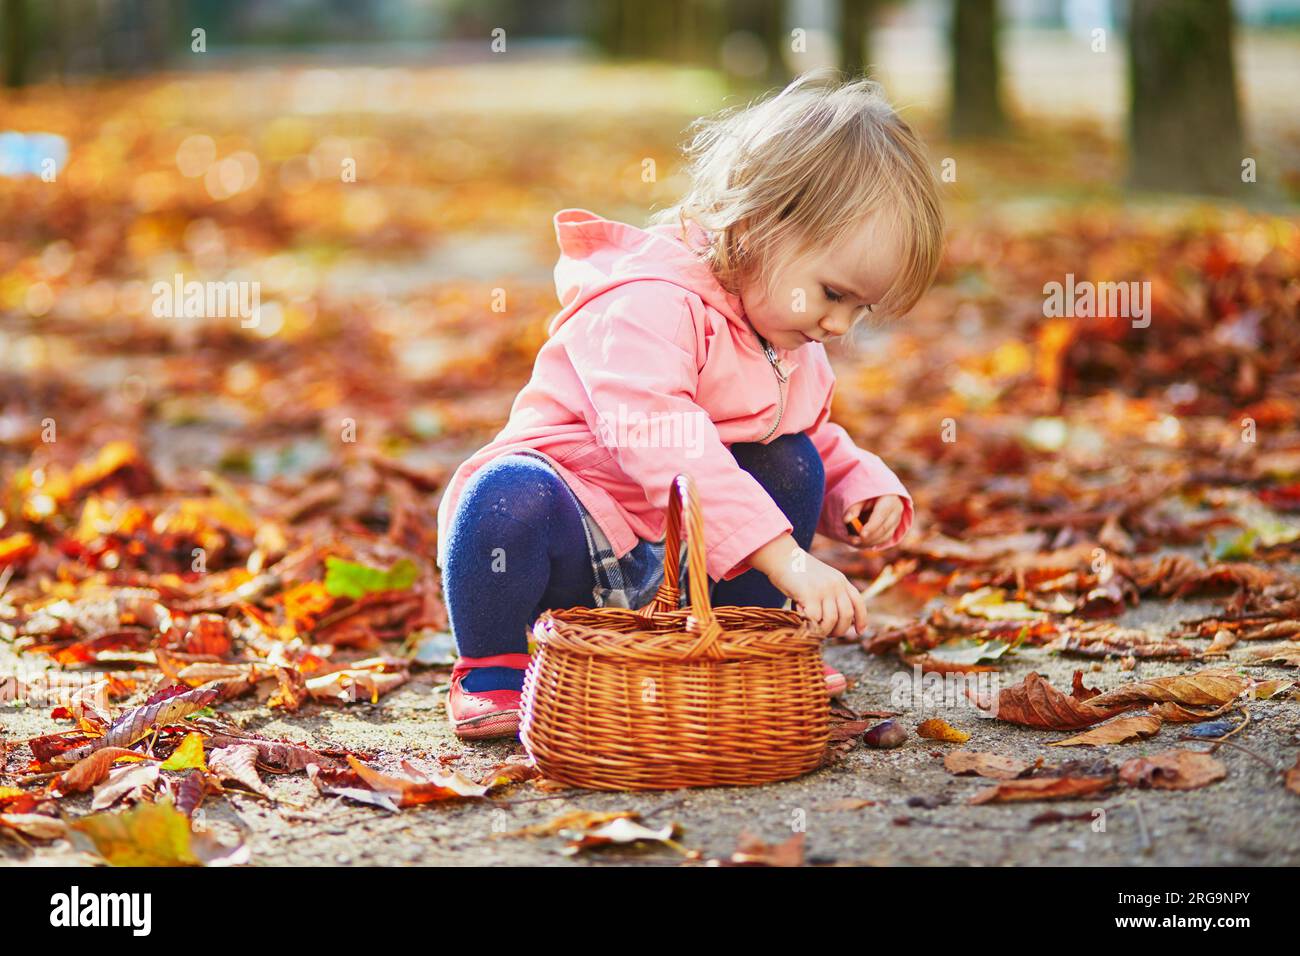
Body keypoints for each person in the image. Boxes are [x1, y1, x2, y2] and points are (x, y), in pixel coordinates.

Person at [436, 70, 945, 740]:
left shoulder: (787, 340)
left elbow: (808, 434)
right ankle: (494, 670)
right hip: (575, 534)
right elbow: (663, 439)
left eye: (861, 308)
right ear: (759, 225)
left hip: (681, 559)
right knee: (504, 497)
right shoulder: (648, 302)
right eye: (832, 293)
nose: (841, 325)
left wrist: (858, 487)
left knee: (790, 462)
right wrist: (786, 558)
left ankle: (737, 637)